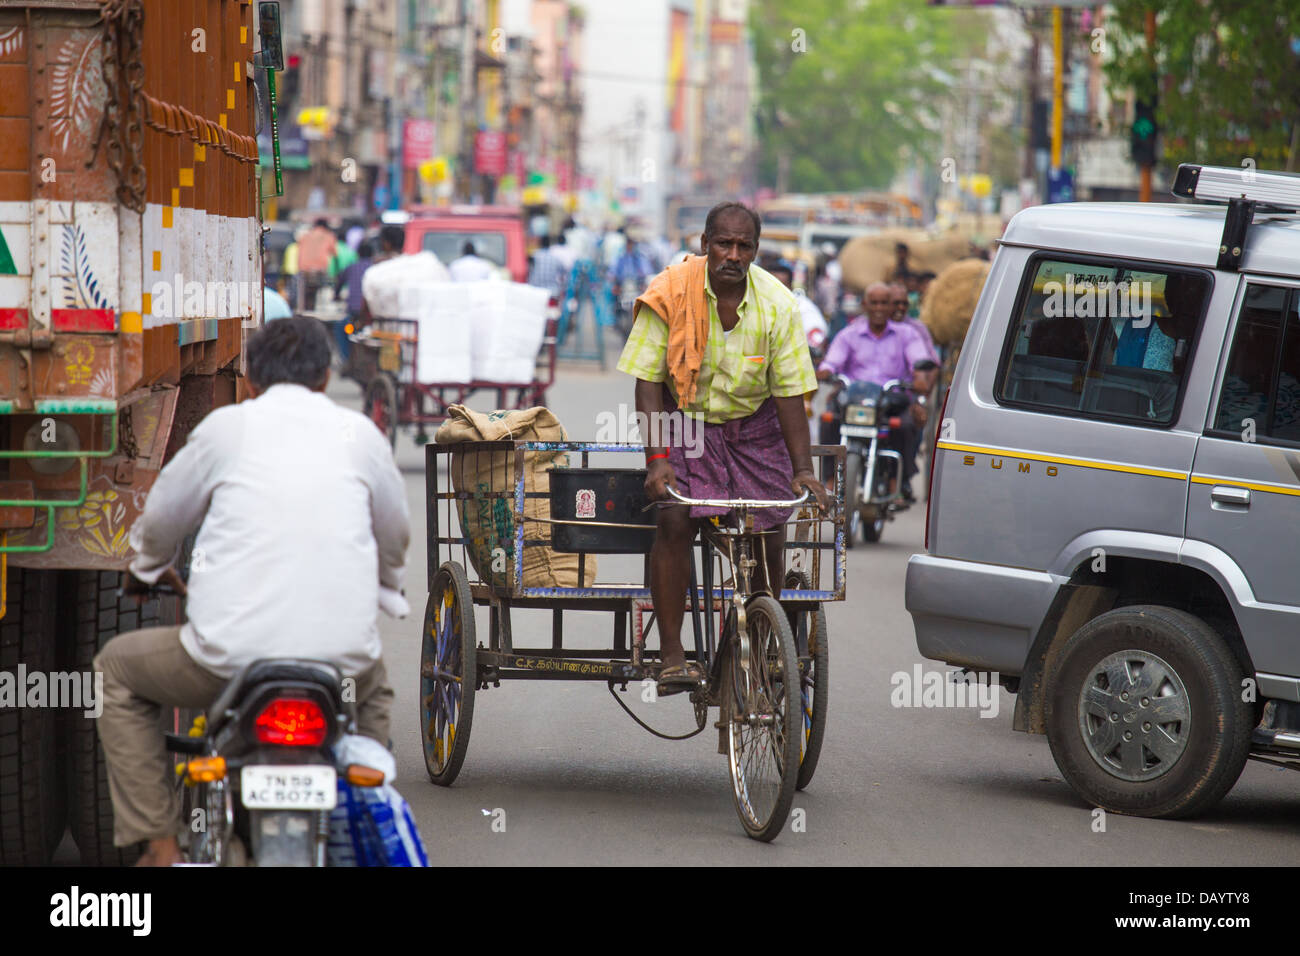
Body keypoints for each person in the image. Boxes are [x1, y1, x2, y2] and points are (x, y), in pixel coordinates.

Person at [96, 317, 409, 866]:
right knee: (374, 688)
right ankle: (366, 822)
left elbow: (163, 517)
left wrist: (147, 567)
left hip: (225, 659)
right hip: (340, 664)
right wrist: (386, 584)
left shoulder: (225, 430)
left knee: (116, 671)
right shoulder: (360, 435)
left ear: (250, 381)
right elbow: (394, 533)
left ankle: (162, 845)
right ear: (323, 379)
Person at [617, 202, 828, 693]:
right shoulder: (671, 292)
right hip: (685, 419)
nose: (733, 254)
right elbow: (648, 383)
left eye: (744, 246)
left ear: (755, 249)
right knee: (672, 518)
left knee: (771, 523)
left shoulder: (779, 304)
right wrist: (658, 461)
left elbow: (791, 393)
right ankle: (672, 655)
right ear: (704, 244)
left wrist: (803, 470)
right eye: (723, 244)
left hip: (756, 427)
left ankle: (763, 629)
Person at [817, 282, 933, 499]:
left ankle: (895, 482)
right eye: (874, 303)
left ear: (891, 307)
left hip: (892, 400)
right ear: (865, 305)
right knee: (828, 420)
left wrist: (919, 378)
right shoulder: (848, 334)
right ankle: (830, 479)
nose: (879, 308)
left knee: (905, 426)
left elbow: (919, 361)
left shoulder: (907, 334)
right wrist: (825, 371)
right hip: (854, 398)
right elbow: (832, 361)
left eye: (884, 303)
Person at [333, 239, 375, 359]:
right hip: (370, 314)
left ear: (358, 254)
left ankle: (346, 359)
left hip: (354, 312)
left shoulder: (351, 267)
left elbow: (339, 283)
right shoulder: (375, 268)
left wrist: (336, 295)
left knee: (341, 328)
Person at [296, 218, 338, 311]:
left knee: (305, 296)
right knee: (321, 295)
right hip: (320, 270)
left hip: (304, 269)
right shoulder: (328, 236)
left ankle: (305, 310)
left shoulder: (305, 236)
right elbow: (335, 253)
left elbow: (299, 252)